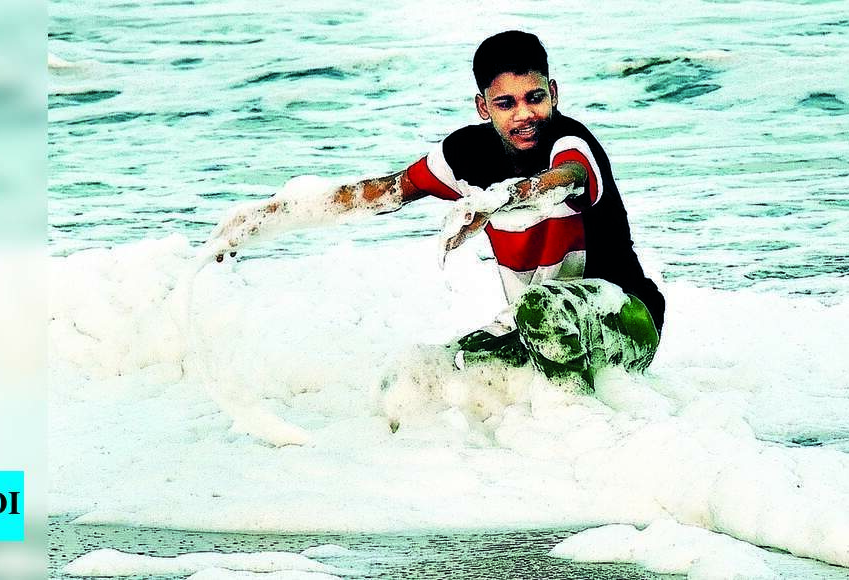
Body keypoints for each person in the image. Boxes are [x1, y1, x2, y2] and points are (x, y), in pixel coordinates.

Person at [206, 30, 666, 390]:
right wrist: (268, 218)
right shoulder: (465, 155)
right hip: (543, 332)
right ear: (483, 107)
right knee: (439, 371)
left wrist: (496, 202)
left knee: (543, 312)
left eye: (535, 97)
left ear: (554, 94)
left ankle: (584, 437)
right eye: (506, 103)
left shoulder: (571, 143)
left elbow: (563, 181)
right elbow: (385, 192)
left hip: (627, 318)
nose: (524, 114)